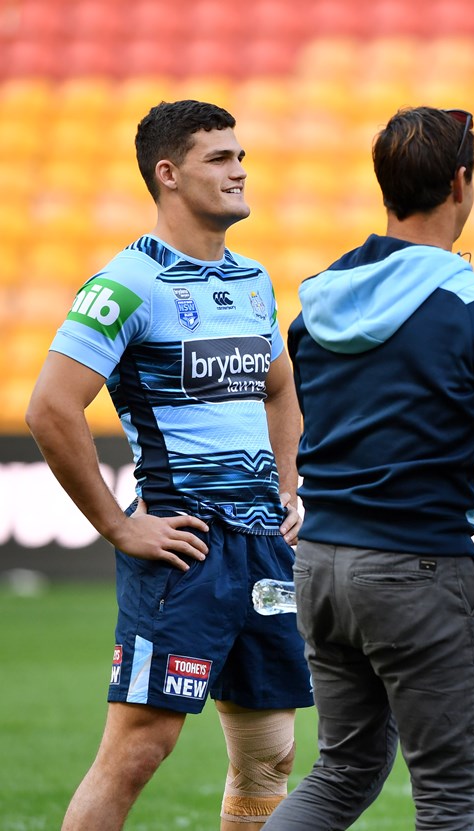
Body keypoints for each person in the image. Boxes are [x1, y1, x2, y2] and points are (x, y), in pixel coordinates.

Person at [262, 106, 474, 831]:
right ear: (461, 184)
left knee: (341, 772)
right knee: (451, 793)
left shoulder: (316, 299)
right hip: (417, 571)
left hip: (319, 566)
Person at [25, 100, 312, 829]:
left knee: (270, 753)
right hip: (187, 550)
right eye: (220, 158)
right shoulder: (125, 284)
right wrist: (120, 526)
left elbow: (281, 389)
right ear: (168, 174)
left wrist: (287, 484)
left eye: (240, 156)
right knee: (139, 749)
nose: (240, 169)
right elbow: (52, 408)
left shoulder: (252, 280)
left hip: (264, 549)